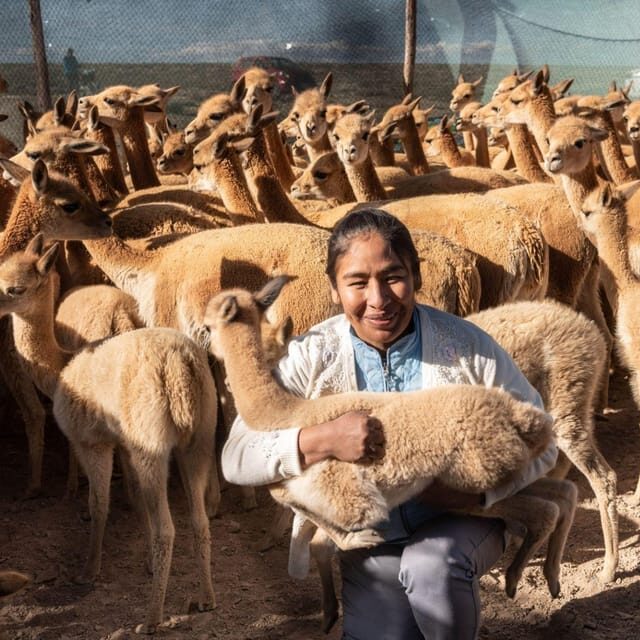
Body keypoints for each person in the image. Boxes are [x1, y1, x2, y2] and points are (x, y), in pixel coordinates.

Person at [221, 208, 558, 640]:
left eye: (393, 277)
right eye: (358, 283)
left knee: (432, 567)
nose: (379, 299)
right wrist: (321, 439)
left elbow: (543, 442)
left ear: (416, 276)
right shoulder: (312, 355)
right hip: (371, 538)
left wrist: (478, 492)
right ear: (334, 289)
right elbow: (236, 458)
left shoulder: (467, 347)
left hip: (460, 521)